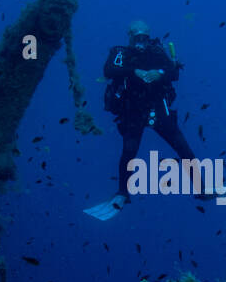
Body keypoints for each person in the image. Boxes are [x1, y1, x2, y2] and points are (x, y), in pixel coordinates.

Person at [84, 20, 203, 220]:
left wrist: (160, 73)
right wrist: (134, 72)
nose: (140, 41)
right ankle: (122, 193)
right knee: (129, 152)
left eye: (144, 37)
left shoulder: (157, 51)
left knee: (183, 147)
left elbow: (174, 73)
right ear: (130, 37)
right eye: (136, 37)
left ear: (149, 37)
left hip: (158, 109)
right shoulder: (120, 52)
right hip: (132, 112)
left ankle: (202, 186)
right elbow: (108, 71)